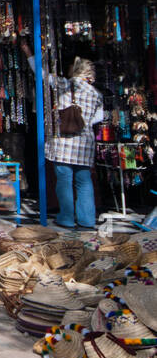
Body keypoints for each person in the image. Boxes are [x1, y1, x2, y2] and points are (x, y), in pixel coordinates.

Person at [29, 45, 104, 230]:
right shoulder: (96, 94)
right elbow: (98, 118)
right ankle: (87, 220)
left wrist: (28, 53)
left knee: (64, 179)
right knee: (84, 181)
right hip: (84, 142)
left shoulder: (63, 84)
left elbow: (40, 74)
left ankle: (66, 217)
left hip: (63, 141)